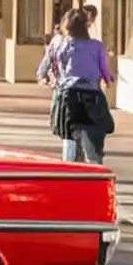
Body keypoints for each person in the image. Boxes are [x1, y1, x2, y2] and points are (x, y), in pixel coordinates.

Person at [49, 8, 115, 164]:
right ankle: (95, 162)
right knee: (94, 135)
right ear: (86, 26)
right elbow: (103, 67)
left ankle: (71, 163)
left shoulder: (62, 44)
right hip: (92, 95)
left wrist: (55, 80)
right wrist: (107, 79)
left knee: (70, 135)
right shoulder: (96, 45)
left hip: (69, 95)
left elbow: (57, 66)